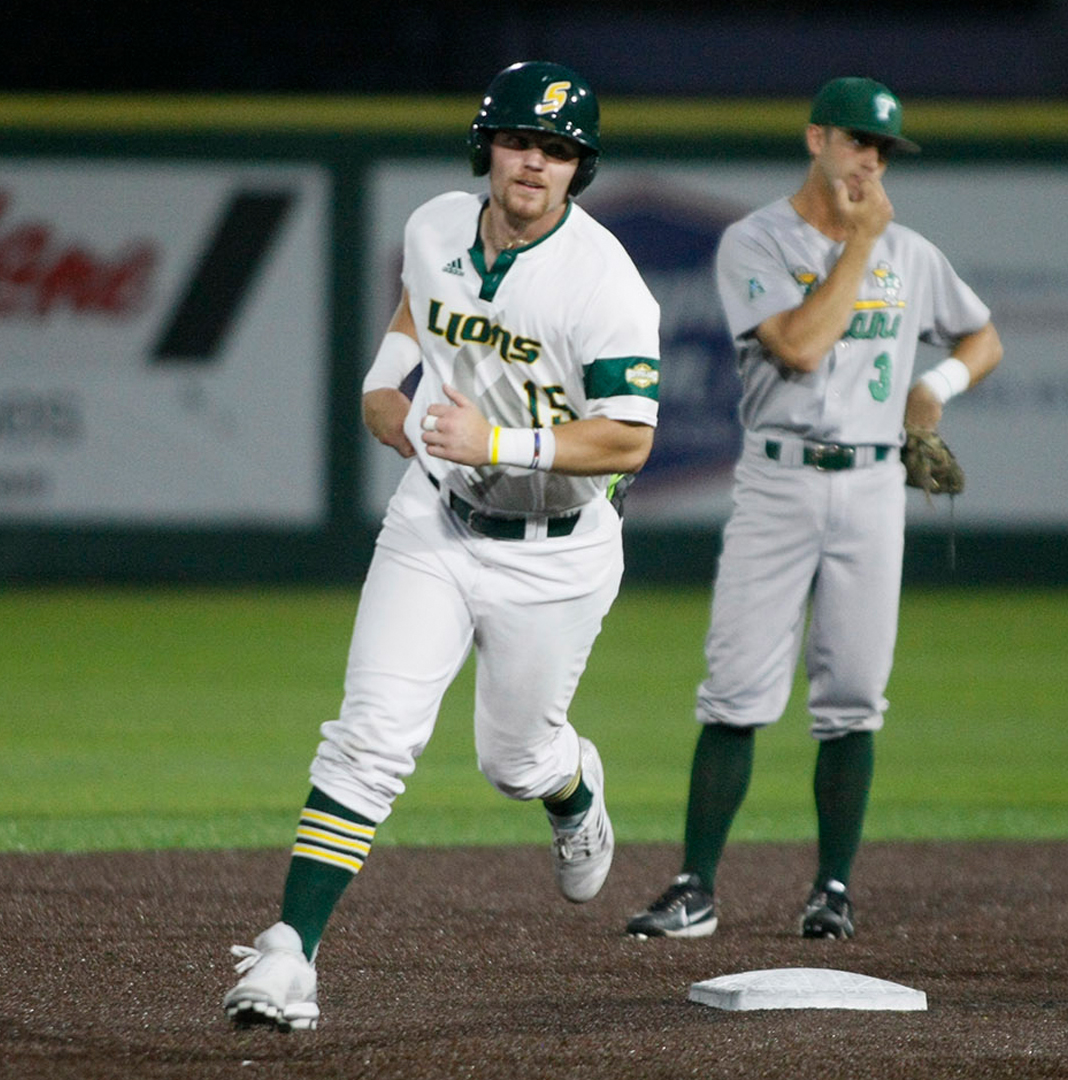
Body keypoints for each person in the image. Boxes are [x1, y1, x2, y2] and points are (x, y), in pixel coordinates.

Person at [224, 60, 661, 1031]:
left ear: (577, 168)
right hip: (434, 521)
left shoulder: (605, 283)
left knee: (512, 760)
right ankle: (291, 954)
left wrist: (502, 442)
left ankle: (572, 782)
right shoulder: (432, 230)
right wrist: (390, 400)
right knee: (370, 737)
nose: (535, 164)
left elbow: (631, 437)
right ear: (486, 146)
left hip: (557, 550)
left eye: (557, 150)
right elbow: (410, 335)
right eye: (519, 142)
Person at [624, 76, 1001, 941]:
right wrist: (862, 248)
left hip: (873, 485)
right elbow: (796, 347)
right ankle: (695, 886)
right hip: (779, 482)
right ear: (815, 139)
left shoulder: (910, 251)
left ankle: (832, 888)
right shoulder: (755, 242)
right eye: (857, 141)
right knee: (735, 690)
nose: (870, 159)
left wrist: (935, 381)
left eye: (883, 149)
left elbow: (984, 335)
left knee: (855, 695)